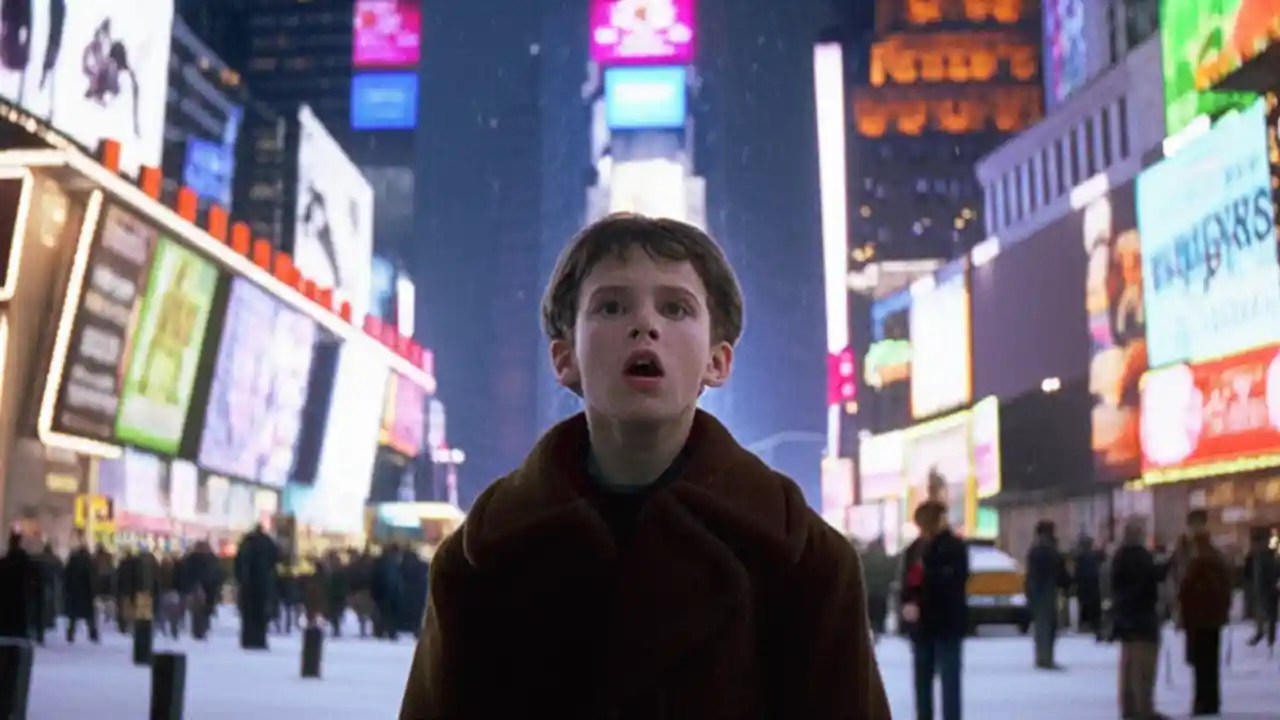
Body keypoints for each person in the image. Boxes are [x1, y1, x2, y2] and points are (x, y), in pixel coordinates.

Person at [398, 213, 890, 718]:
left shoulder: (803, 560)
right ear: (565, 358)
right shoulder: (482, 556)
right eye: (611, 306)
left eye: (676, 309)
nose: (645, 325)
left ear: (717, 362)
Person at [899, 501, 968, 720]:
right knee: (922, 682)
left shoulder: (954, 547)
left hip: (947, 622)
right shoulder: (914, 549)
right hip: (922, 625)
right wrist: (907, 603)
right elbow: (905, 583)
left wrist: (927, 575)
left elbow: (956, 580)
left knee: (949, 683)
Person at [1109, 517, 1167, 720]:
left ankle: (1129, 708)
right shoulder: (1142, 557)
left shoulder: (1119, 556)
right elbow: (1150, 582)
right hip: (1143, 619)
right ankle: (1144, 710)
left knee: (1128, 667)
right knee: (1144, 670)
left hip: (1125, 619)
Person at [1178, 526, 1232, 717]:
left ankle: (1202, 701)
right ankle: (1213, 700)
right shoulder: (1218, 561)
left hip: (1198, 620)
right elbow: (1227, 589)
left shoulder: (1198, 563)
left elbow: (1186, 591)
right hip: (1213, 620)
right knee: (1211, 662)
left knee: (1201, 664)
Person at [1026, 519, 1070, 669]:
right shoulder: (1051, 550)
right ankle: (1046, 658)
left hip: (1037, 591)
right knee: (1049, 625)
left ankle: (1042, 656)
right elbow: (1060, 572)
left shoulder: (1034, 549)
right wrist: (1067, 584)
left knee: (1041, 626)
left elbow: (1030, 574)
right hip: (1049, 591)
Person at [235, 524, 279, 650]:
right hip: (263, 583)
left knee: (249, 615)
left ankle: (248, 639)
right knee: (261, 614)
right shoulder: (268, 542)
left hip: (248, 584)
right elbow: (275, 560)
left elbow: (239, 563)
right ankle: (259, 640)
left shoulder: (247, 542)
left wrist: (241, 579)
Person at [1243, 526, 1277, 649]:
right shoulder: (1251, 557)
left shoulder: (1271, 557)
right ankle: (1261, 633)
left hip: (1269, 590)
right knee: (1259, 613)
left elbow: (1276, 573)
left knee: (1270, 614)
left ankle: (1270, 639)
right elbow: (1246, 573)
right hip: (1256, 590)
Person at [0, 531, 37, 639]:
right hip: (21, 608)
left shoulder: (4, 563)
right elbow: (32, 584)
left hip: (5, 612)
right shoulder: (27, 563)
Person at [63, 532, 99, 644]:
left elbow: (66, 575)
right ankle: (92, 634)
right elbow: (93, 576)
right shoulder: (89, 561)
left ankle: (70, 634)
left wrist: (67, 589)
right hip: (86, 592)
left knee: (73, 616)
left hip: (74, 592)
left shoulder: (73, 559)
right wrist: (94, 591)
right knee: (90, 616)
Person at [1073, 533, 1104, 638]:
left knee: (1084, 607)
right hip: (1094, 586)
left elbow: (1077, 574)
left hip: (1083, 587)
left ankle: (1085, 624)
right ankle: (1095, 625)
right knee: (1094, 607)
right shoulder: (1095, 556)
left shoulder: (1080, 558)